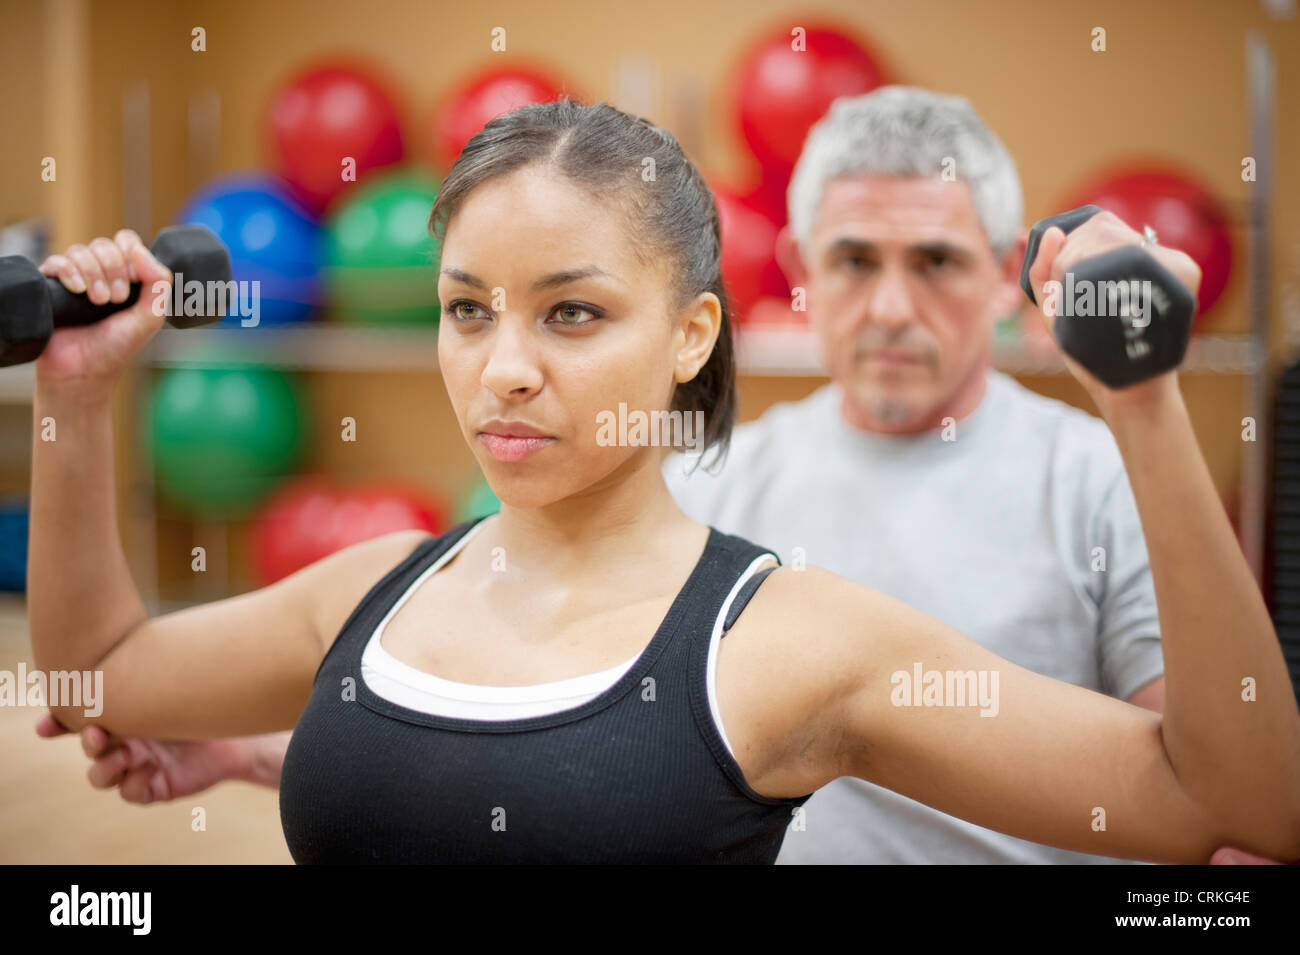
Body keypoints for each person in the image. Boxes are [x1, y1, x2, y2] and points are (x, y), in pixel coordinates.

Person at [28, 99, 1300, 864]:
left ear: (691, 336)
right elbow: (98, 664)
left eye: (571, 315)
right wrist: (77, 401)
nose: (504, 370)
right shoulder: (376, 591)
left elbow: (1227, 801)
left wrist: (1140, 404)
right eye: (466, 310)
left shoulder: (798, 628)